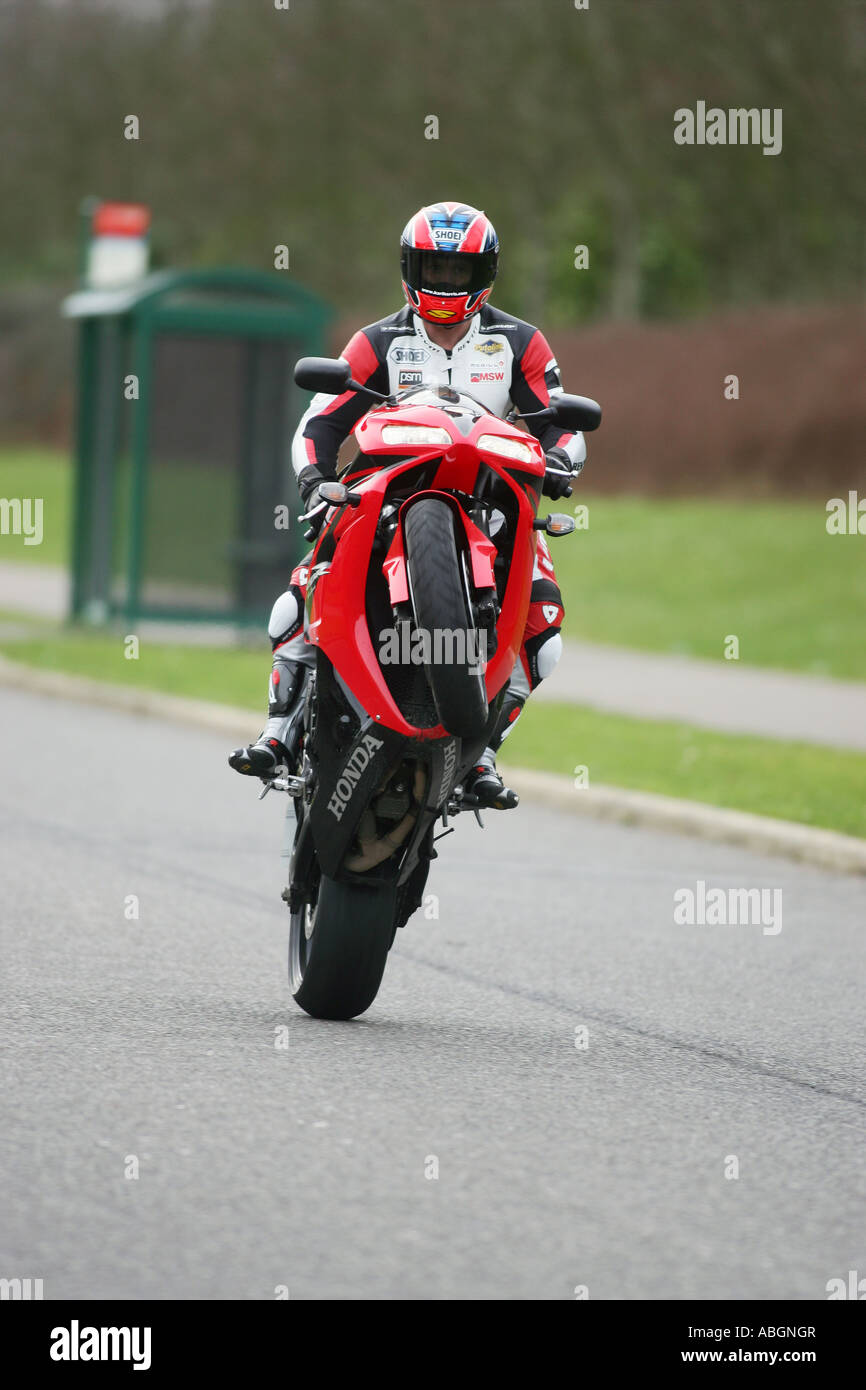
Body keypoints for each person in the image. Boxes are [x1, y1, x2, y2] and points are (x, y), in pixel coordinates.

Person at [230, 201, 586, 808]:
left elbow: (562, 420)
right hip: (382, 495)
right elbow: (319, 423)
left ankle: (484, 755)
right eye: (433, 268)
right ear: (408, 268)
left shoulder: (520, 342)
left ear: (487, 275)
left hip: (492, 501)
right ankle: (279, 730)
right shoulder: (377, 342)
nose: (446, 284)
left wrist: (560, 461)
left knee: (545, 627)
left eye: (461, 272)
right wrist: (315, 479)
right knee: (297, 594)